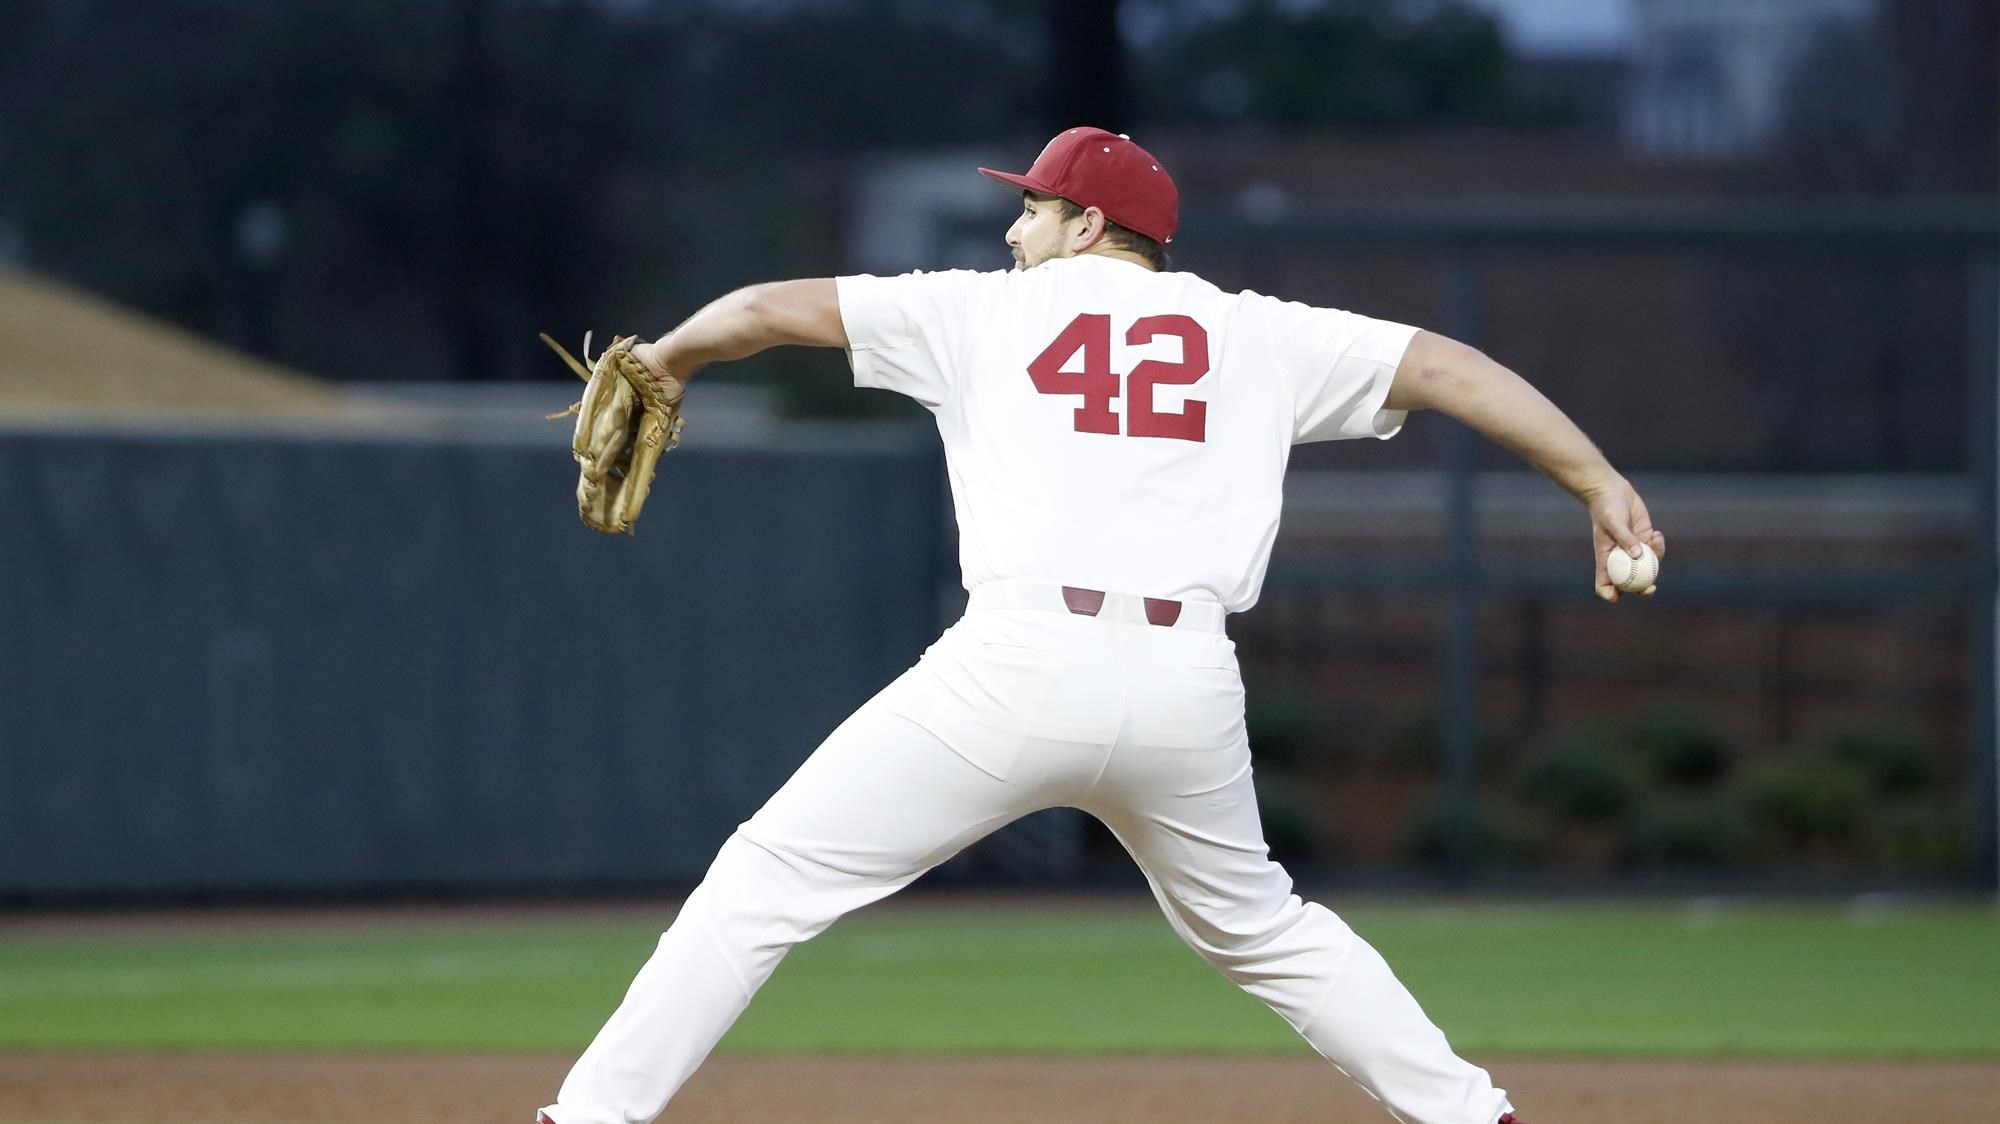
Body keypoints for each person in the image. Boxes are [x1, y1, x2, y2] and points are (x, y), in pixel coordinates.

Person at [536, 126, 1665, 1124]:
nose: (1016, 223)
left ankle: (590, 1116)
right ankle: (1472, 1115)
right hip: (1185, 680)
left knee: (765, 880)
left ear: (1087, 221)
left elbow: (768, 311)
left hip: (1013, 667)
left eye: (1033, 204)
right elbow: (1443, 366)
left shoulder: (977, 308)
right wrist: (1595, 479)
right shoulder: (1252, 333)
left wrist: (667, 355)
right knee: (1264, 928)